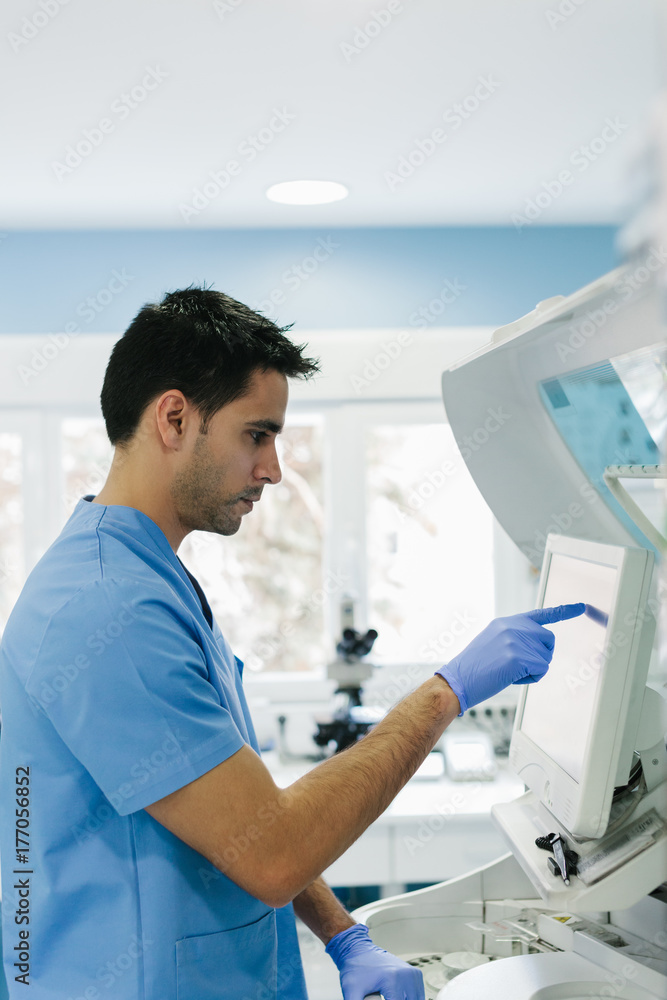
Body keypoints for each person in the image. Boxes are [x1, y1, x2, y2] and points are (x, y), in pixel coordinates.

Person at [0, 286, 584, 1000]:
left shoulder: (148, 579)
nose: (273, 468)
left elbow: (231, 813)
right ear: (174, 418)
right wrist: (445, 693)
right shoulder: (105, 607)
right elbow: (272, 851)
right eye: (257, 434)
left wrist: (341, 931)